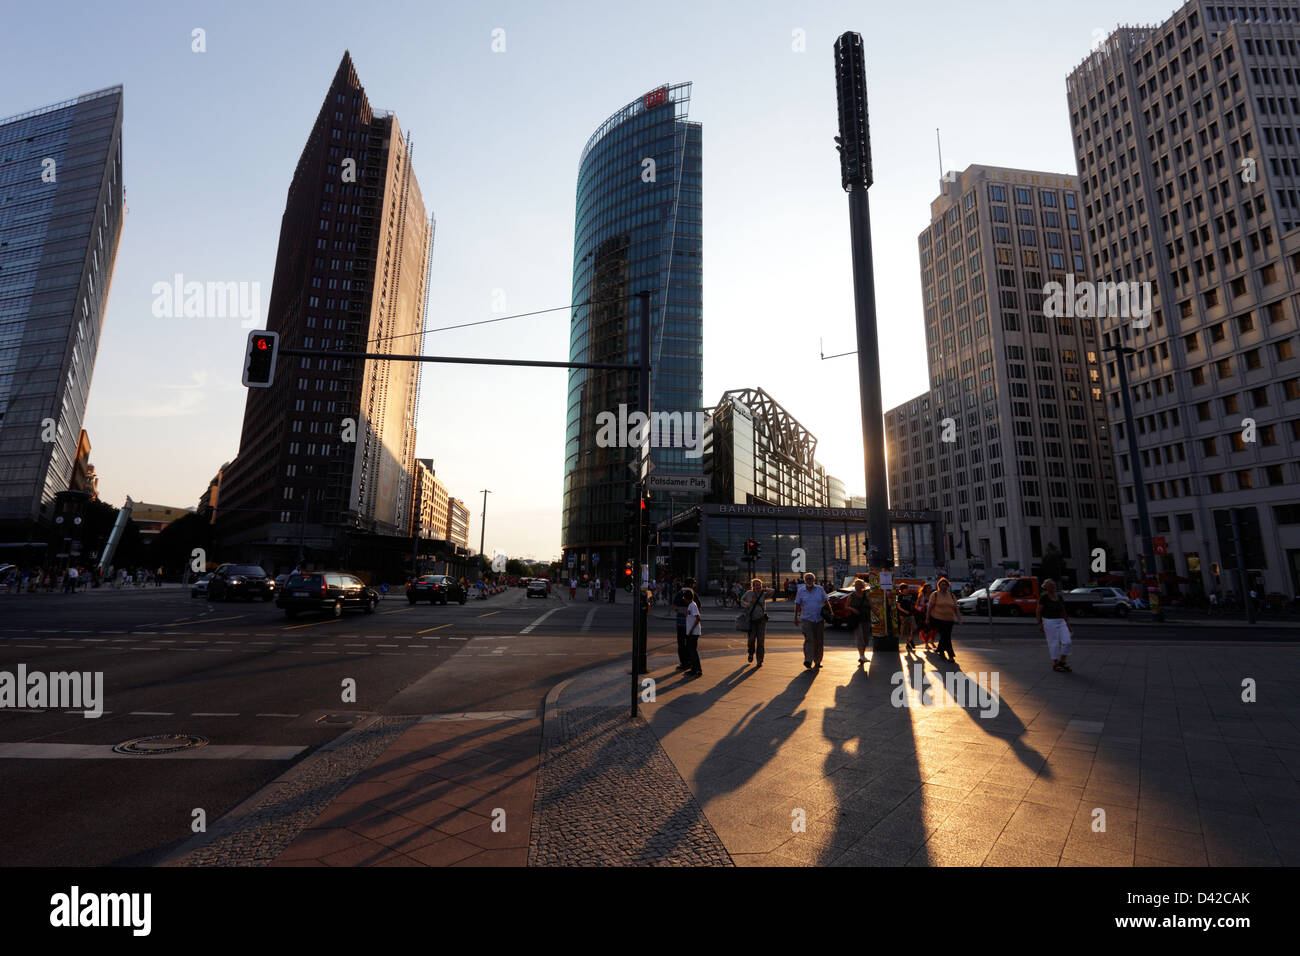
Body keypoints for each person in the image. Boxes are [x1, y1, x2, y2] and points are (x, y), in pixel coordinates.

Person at [793, 571, 829, 670]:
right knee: (809, 639)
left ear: (814, 580)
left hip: (819, 619)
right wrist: (795, 617)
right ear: (805, 580)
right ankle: (808, 660)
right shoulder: (801, 590)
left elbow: (826, 601)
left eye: (811, 579)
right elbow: (797, 604)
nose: (809, 580)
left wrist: (830, 612)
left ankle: (817, 661)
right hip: (806, 619)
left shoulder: (819, 589)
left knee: (819, 641)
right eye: (807, 579)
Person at [1036, 578, 1073, 672]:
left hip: (1061, 621)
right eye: (1050, 585)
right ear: (1046, 587)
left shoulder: (1059, 597)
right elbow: (1038, 611)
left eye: (1053, 584)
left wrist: (1067, 624)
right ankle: (1055, 663)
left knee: (1067, 641)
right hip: (1049, 621)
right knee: (1053, 643)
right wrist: (1040, 623)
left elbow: (1063, 610)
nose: (1053, 586)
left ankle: (1062, 661)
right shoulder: (1044, 597)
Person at [926, 577, 962, 663]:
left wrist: (959, 618)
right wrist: (927, 618)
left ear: (948, 586)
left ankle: (940, 650)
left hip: (950, 619)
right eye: (942, 584)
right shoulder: (935, 594)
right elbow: (929, 607)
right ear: (939, 586)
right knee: (946, 636)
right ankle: (951, 655)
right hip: (937, 619)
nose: (944, 586)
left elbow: (955, 608)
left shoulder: (952, 595)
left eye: (946, 584)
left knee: (945, 636)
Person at [741, 577, 774, 667]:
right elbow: (742, 600)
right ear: (753, 586)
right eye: (756, 585)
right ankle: (751, 653)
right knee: (751, 640)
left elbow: (772, 591)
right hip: (751, 620)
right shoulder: (749, 593)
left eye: (759, 585)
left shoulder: (763, 594)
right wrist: (747, 604)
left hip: (761, 620)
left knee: (761, 641)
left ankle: (760, 660)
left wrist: (764, 589)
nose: (758, 587)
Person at [847, 577, 871, 664]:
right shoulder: (852, 596)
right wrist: (853, 609)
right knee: (859, 637)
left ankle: (863, 655)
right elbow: (847, 606)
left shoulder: (866, 595)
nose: (857, 587)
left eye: (859, 585)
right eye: (856, 585)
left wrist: (878, 615)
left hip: (866, 618)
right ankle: (861, 656)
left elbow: (871, 605)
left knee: (865, 638)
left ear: (862, 586)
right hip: (856, 620)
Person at [672, 579, 694, 671]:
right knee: (689, 643)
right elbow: (699, 608)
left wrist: (683, 611)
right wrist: (689, 612)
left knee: (681, 644)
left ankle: (683, 662)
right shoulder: (693, 594)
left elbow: (675, 608)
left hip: (680, 623)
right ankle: (689, 661)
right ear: (691, 585)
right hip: (690, 624)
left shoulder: (679, 594)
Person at [682, 588, 702, 677]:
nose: (684, 600)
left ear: (687, 598)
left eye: (684, 598)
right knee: (691, 651)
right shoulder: (691, 605)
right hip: (691, 632)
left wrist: (691, 630)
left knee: (693, 652)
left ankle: (698, 670)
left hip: (693, 633)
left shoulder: (693, 605)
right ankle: (694, 669)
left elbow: (698, 618)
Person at [913, 583, 934, 653]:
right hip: (923, 614)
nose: (929, 589)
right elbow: (916, 604)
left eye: (930, 588)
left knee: (932, 629)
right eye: (928, 588)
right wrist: (923, 606)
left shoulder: (933, 595)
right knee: (925, 629)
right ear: (925, 589)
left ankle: (931, 641)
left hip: (932, 614)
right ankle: (926, 644)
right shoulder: (922, 595)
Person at [896, 583, 916, 649]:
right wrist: (905, 611)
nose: (908, 589)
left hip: (911, 614)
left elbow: (913, 603)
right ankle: (907, 642)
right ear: (902, 589)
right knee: (905, 630)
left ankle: (911, 640)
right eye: (906, 588)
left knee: (914, 628)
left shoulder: (910, 595)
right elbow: (898, 606)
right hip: (903, 615)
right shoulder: (900, 596)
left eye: (908, 588)